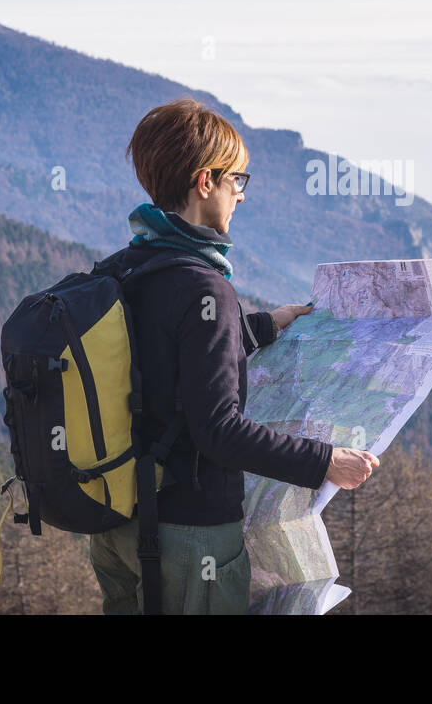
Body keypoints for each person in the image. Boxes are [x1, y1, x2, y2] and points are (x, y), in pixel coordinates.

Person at [89, 97, 379, 614]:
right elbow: (218, 430)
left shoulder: (129, 269)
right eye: (237, 181)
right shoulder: (205, 288)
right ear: (206, 182)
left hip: (119, 527)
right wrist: (326, 461)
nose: (241, 196)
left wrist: (263, 326)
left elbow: (162, 360)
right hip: (188, 539)